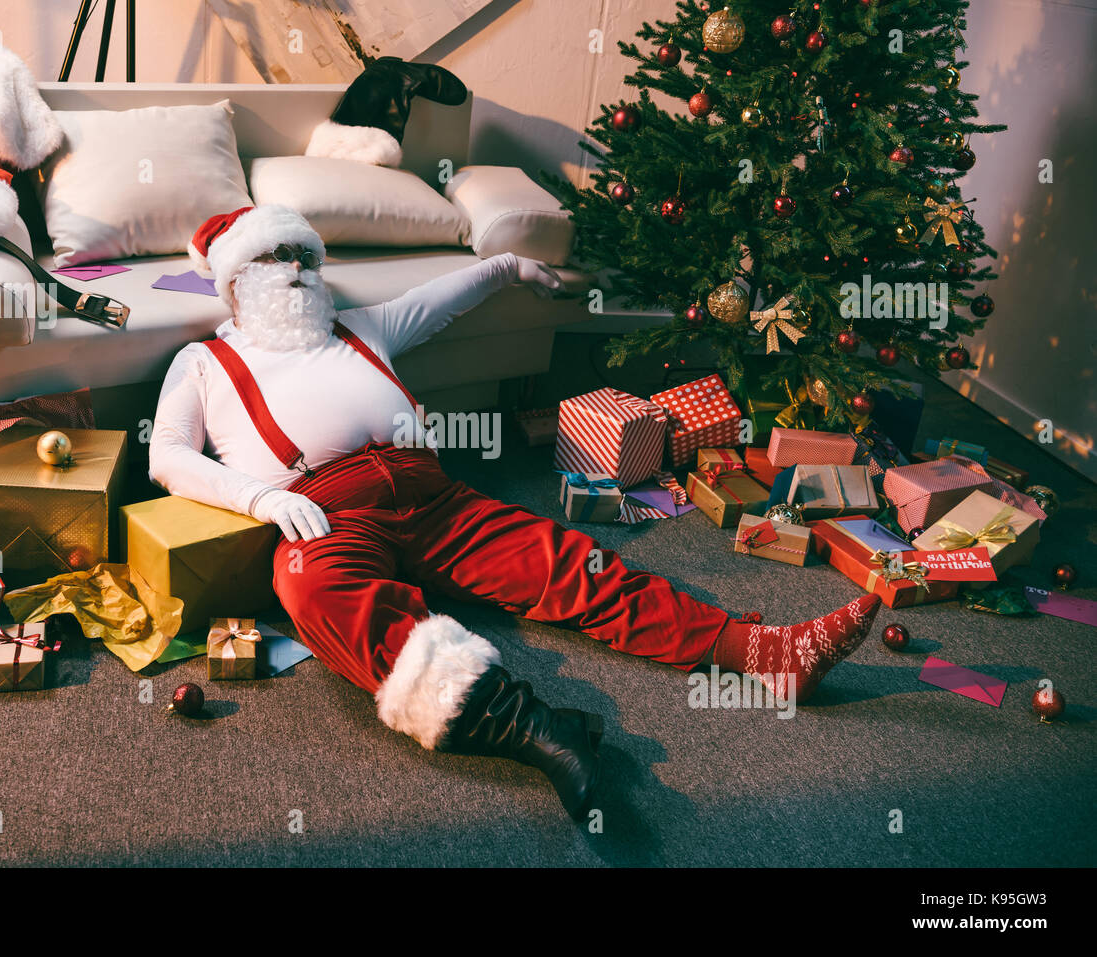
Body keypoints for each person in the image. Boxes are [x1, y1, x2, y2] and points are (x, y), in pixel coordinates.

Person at [150, 205, 880, 819]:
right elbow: (169, 457)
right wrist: (261, 496)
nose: (296, 270)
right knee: (310, 590)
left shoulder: (362, 326)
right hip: (322, 512)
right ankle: (533, 728)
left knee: (573, 563)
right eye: (273, 258)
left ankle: (765, 654)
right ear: (235, 284)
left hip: (435, 496)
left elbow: (445, 295)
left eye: (303, 254)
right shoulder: (204, 363)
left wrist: (507, 267)